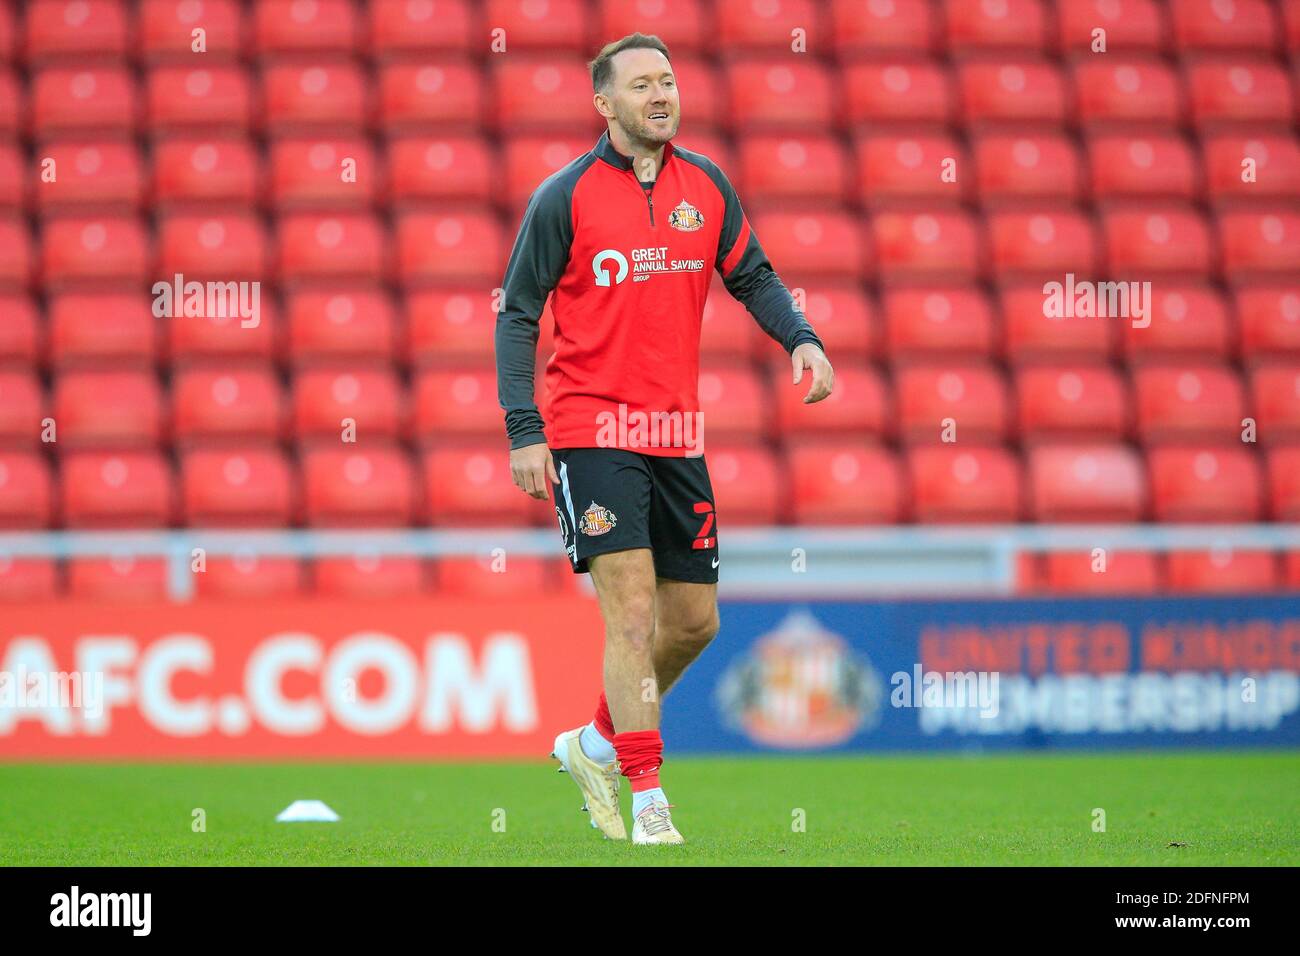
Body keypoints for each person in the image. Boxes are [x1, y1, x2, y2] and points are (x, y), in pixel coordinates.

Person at [494, 32, 834, 845]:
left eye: (668, 81)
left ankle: (594, 743)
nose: (661, 94)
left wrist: (803, 338)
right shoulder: (564, 197)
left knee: (694, 622)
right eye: (641, 84)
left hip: (675, 432)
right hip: (590, 427)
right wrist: (525, 429)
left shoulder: (706, 186)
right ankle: (647, 797)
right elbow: (517, 312)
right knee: (633, 615)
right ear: (604, 104)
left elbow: (749, 273)